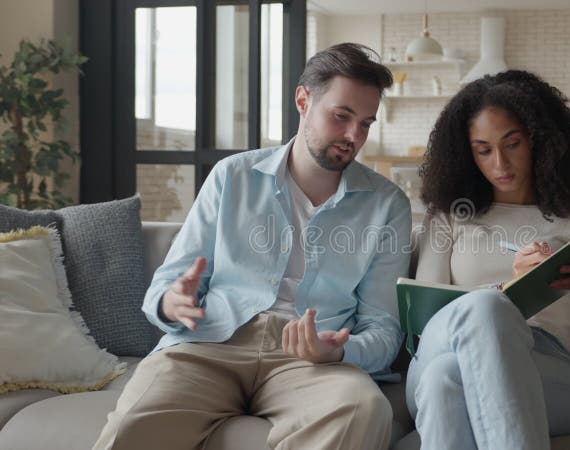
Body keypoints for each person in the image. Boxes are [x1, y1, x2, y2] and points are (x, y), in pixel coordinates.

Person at [94, 43, 411, 450]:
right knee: (134, 422)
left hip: (309, 359)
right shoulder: (232, 176)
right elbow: (169, 285)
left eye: (365, 123)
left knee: (363, 409)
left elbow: (383, 327)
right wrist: (171, 303)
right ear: (303, 100)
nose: (353, 136)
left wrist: (338, 352)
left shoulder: (387, 204)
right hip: (210, 344)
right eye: (341, 116)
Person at [407, 70, 570, 450]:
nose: (500, 163)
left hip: (547, 366)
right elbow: (424, 327)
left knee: (446, 381)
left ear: (541, 140)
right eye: (483, 149)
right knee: (482, 313)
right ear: (466, 153)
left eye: (513, 143)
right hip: (444, 348)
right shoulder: (448, 216)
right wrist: (507, 291)